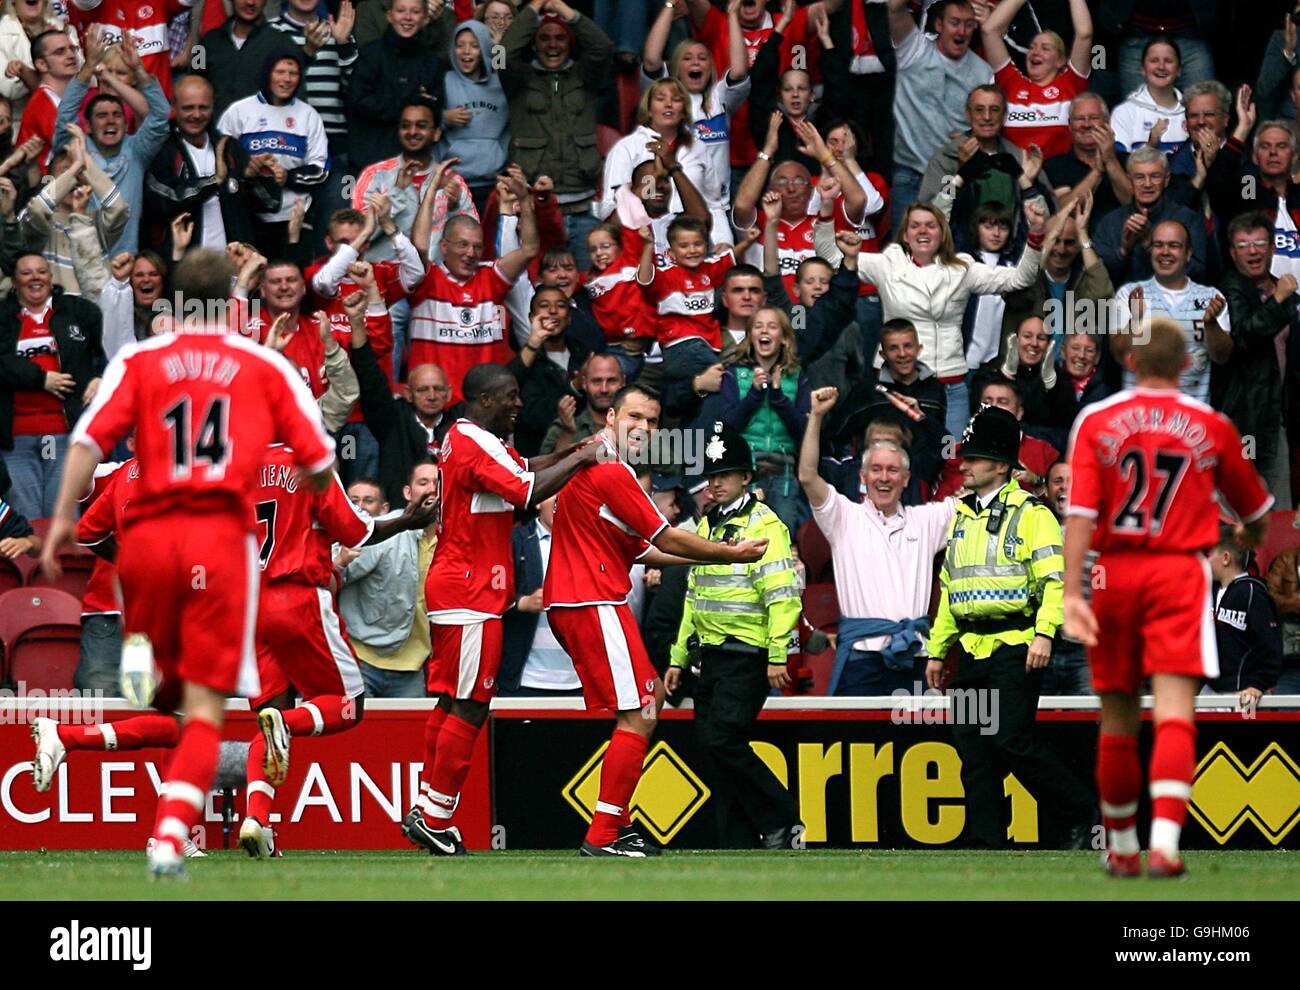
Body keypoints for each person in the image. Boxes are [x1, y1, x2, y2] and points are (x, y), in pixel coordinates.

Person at [35, 247, 336, 879]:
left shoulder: (142, 363)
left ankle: (85, 754)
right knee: (198, 713)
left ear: (173, 297)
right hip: (218, 547)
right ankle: (173, 834)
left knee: (157, 710)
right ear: (231, 299)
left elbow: (88, 440)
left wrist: (61, 516)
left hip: (145, 556)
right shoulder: (259, 365)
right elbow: (318, 460)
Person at [1063, 316, 1274, 878]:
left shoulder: (1096, 420)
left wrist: (1070, 594)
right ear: (1188, 365)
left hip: (1112, 576)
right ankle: (1165, 846)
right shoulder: (1210, 423)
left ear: (1129, 362)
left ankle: (1123, 847)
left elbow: (1080, 515)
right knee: (1177, 713)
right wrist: (1242, 534)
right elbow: (1257, 514)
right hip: (1179, 574)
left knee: (1118, 719)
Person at [542, 384, 768, 856]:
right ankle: (603, 835)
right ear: (609, 418)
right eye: (634, 417)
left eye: (652, 420)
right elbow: (667, 536)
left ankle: (614, 827)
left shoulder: (598, 464)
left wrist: (706, 560)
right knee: (645, 706)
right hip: (591, 601)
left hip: (578, 601)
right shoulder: (611, 470)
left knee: (640, 705)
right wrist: (728, 554)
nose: (644, 427)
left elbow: (646, 550)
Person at [401, 362, 599, 856]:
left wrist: (576, 451)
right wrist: (587, 458)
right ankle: (435, 815)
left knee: (451, 699)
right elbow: (528, 491)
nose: (518, 403)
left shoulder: (466, 437)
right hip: (469, 589)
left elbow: (525, 468)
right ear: (485, 400)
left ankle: (428, 806)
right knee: (470, 703)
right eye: (510, 396)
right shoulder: (473, 442)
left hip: (458, 585)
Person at [237, 442, 438, 858]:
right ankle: (287, 724)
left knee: (268, 720)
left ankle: (257, 819)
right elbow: (357, 530)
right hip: (299, 596)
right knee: (348, 705)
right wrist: (406, 520)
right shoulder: (310, 464)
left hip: (249, 602)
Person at [927, 404, 1095, 849]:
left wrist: (1044, 632)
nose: (964, 463)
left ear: (1001, 466)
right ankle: (989, 846)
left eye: (975, 457)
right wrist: (937, 648)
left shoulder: (1032, 514)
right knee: (971, 749)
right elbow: (951, 588)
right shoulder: (961, 515)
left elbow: (1055, 581)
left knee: (1010, 740)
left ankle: (1081, 811)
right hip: (972, 650)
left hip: (1017, 646)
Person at [815, 199, 1055, 440]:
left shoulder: (963, 268)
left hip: (949, 385)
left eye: (930, 225)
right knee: (899, 454)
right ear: (905, 235)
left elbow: (1020, 279)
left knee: (950, 459)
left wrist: (1035, 234)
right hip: (898, 385)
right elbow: (829, 258)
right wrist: (826, 210)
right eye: (915, 225)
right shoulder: (886, 264)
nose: (923, 231)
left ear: (943, 233)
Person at [667, 422, 801, 849]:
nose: (715, 484)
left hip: (748, 655)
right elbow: (694, 596)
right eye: (711, 476)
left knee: (720, 739)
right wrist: (677, 658)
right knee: (714, 748)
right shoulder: (707, 527)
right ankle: (742, 838)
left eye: (724, 475)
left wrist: (778, 653)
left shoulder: (766, 525)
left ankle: (783, 817)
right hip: (711, 657)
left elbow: (783, 595)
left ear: (746, 477)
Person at [799, 385, 954, 696]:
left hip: (915, 655)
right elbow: (806, 475)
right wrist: (815, 416)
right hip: (860, 657)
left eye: (893, 470)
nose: (884, 477)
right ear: (862, 476)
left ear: (907, 479)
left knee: (919, 745)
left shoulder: (927, 520)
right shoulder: (844, 517)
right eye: (877, 470)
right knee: (853, 744)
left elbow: (961, 460)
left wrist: (921, 418)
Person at [499, 0, 612, 267]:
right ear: (533, 44)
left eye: (560, 38)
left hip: (582, 207)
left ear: (570, 43)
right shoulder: (517, 79)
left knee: (587, 287)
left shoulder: (585, 76)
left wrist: (562, 8)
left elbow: (603, 47)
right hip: (534, 210)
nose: (552, 45)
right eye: (544, 38)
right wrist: (536, 5)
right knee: (538, 289)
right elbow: (500, 51)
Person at [0, 252, 103, 520]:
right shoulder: (2, 317)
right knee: (26, 522)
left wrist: (98, 376)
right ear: (14, 281)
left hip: (64, 434)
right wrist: (40, 378)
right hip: (16, 438)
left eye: (42, 271)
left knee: (62, 519)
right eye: (27, 272)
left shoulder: (78, 311)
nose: (36, 277)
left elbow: (100, 353)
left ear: (50, 276)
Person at [50, 27, 170, 256]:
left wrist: (138, 69)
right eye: (101, 116)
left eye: (116, 115)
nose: (110, 122)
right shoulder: (77, 147)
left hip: (124, 260)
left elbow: (161, 117)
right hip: (81, 258)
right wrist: (88, 67)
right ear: (89, 125)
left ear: (126, 124)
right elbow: (64, 117)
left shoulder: (137, 150)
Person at [885, 0, 994, 233]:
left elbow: (990, 129)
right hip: (909, 174)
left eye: (968, 24)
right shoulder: (913, 49)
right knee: (903, 255)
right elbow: (894, 7)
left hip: (952, 178)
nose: (962, 31)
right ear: (938, 24)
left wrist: (972, 139)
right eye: (955, 23)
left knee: (949, 256)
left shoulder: (984, 72)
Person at [143, 75, 281, 257]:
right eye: (188, 108)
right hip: (184, 269)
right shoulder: (163, 150)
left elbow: (271, 203)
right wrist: (214, 181)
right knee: (180, 288)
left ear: (212, 107)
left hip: (233, 266)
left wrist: (253, 178)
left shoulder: (229, 147)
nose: (196, 115)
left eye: (203, 107)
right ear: (174, 107)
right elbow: (163, 200)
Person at [1218, 211, 1299, 506]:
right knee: (1237, 509)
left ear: (1272, 248)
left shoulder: (1285, 291)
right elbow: (1243, 337)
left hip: (1278, 414)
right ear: (1232, 253)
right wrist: (1277, 300)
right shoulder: (1230, 288)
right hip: (1243, 417)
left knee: (1278, 509)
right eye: (1243, 245)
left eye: (1260, 243)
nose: (1252, 251)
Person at [338, 466, 440, 699]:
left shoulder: (454, 536)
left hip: (413, 665)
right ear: (407, 492)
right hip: (362, 659)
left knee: (407, 736)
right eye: (423, 482)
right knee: (356, 734)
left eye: (437, 482)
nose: (431, 489)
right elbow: (337, 573)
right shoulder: (386, 528)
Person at [217, 48, 329, 258]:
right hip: (247, 217)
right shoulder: (238, 112)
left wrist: (288, 177)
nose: (286, 79)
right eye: (280, 72)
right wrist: (246, 168)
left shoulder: (309, 115)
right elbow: (219, 161)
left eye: (293, 73)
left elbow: (321, 171)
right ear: (267, 73)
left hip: (294, 218)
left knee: (289, 283)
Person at [1112, 218, 1231, 403]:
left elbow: (1222, 357)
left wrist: (1211, 325)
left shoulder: (1211, 298)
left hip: (1190, 422)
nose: (1165, 252)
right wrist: (1135, 320)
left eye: (1174, 245)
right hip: (1139, 418)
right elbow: (1119, 355)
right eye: (1158, 245)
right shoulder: (1129, 294)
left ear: (1188, 253)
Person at [718, 304, 810, 536]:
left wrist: (778, 395)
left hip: (784, 474)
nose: (764, 331)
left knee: (781, 537)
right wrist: (755, 394)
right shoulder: (733, 373)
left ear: (785, 339)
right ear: (750, 337)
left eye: (772, 326)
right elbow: (727, 428)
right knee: (743, 537)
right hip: (746, 474)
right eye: (758, 326)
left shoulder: (797, 375)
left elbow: (803, 431)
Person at [981, 0, 1093, 159]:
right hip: (1014, 177)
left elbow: (1084, 33)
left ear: (1061, 61)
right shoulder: (1011, 83)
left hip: (1057, 179)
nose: (1035, 52)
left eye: (1045, 48)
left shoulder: (1071, 84)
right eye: (1032, 47)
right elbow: (989, 30)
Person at [499, 494, 583, 697]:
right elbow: (488, 595)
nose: (560, 508)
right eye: (554, 501)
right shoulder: (513, 541)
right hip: (527, 677)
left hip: (580, 679)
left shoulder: (588, 545)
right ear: (538, 501)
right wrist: (522, 602)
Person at [348, 0, 447, 172]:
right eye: (401, 11)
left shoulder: (432, 62)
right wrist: (410, 100)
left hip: (415, 160)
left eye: (415, 12)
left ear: (425, 18)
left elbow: (434, 108)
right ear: (389, 16)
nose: (408, 17)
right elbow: (359, 101)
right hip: (371, 158)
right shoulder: (371, 54)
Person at [1092, 146, 1207, 284]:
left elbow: (1197, 272)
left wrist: (1149, 244)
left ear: (1167, 179)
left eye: (1155, 176)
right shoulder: (1110, 222)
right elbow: (1099, 278)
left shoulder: (1187, 219)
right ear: (1130, 180)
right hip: (1123, 303)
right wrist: (1123, 251)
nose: (1147, 184)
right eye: (1139, 177)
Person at [196, 0, 312, 122]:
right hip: (215, 137)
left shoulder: (285, 45)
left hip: (264, 138)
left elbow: (297, 106)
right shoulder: (204, 44)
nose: (250, 2)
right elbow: (191, 83)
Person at [1208, 525, 1283, 712]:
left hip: (1246, 696)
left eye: (1210, 553)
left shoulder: (1252, 592)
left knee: (1245, 740)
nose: (1206, 559)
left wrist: (1258, 685)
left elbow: (1271, 646)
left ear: (1226, 558)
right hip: (1212, 693)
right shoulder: (1209, 592)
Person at [438, 18, 508, 213]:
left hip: (493, 180)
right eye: (460, 46)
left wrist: (499, 48)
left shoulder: (501, 82)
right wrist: (444, 118)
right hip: (454, 181)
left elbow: (514, 72)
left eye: (474, 46)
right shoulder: (444, 80)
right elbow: (424, 121)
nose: (466, 51)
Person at [15, 28, 80, 174]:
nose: (71, 55)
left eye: (72, 48)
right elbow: (72, 145)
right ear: (42, 64)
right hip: (45, 186)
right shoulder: (42, 103)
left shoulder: (72, 97)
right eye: (60, 52)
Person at [540, 351, 624, 455]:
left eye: (611, 381)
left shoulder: (635, 425)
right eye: (596, 381)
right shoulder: (562, 427)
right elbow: (547, 468)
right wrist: (567, 432)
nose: (604, 389)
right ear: (584, 383)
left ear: (622, 382)